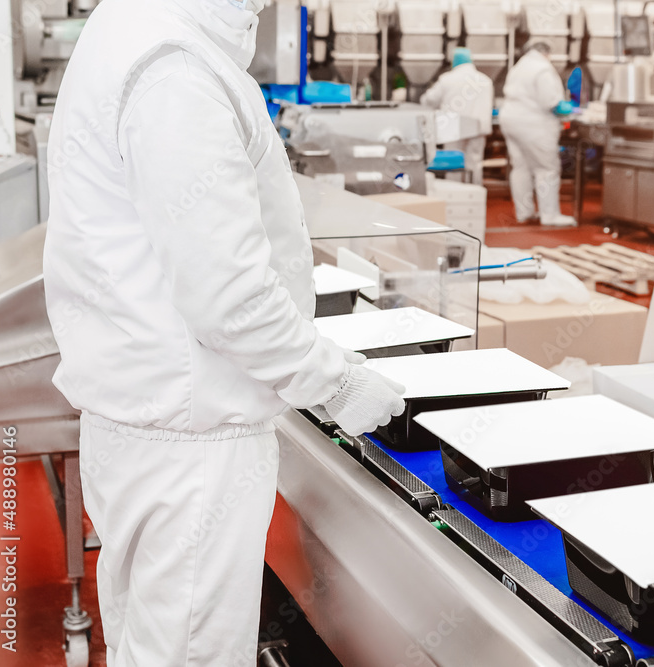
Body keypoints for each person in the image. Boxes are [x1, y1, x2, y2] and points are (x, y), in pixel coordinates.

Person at [42, 0, 405, 664]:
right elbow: (228, 296)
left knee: (150, 646)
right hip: (191, 447)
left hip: (146, 424)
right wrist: (336, 381)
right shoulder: (174, 71)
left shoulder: (139, 29)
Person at [498, 41, 577, 227]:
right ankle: (549, 215)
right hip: (533, 124)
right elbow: (550, 101)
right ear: (546, 53)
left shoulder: (518, 67)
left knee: (520, 167)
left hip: (511, 121)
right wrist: (566, 109)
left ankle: (524, 213)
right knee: (547, 168)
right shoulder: (543, 68)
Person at [420, 47, 494, 185]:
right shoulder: (485, 80)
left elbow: (428, 100)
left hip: (453, 128)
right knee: (475, 163)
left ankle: (454, 195)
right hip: (478, 128)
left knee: (452, 163)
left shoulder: (447, 79)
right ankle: (474, 194)